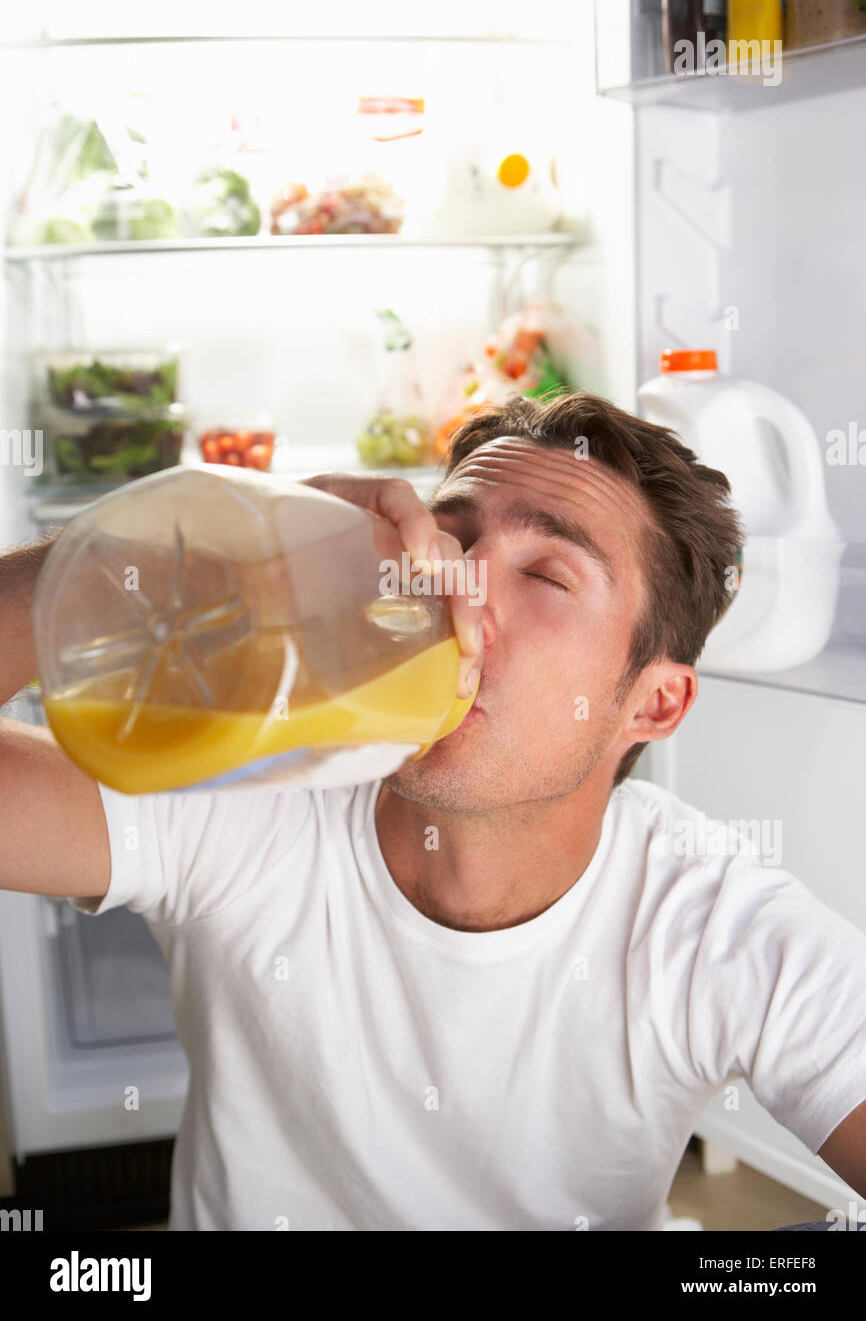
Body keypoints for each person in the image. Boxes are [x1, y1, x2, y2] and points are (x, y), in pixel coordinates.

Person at [1, 391, 864, 1231]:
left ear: (653, 706)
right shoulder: (257, 794)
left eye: (546, 574)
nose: (456, 589)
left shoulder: (709, 924)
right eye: (449, 541)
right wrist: (155, 562)